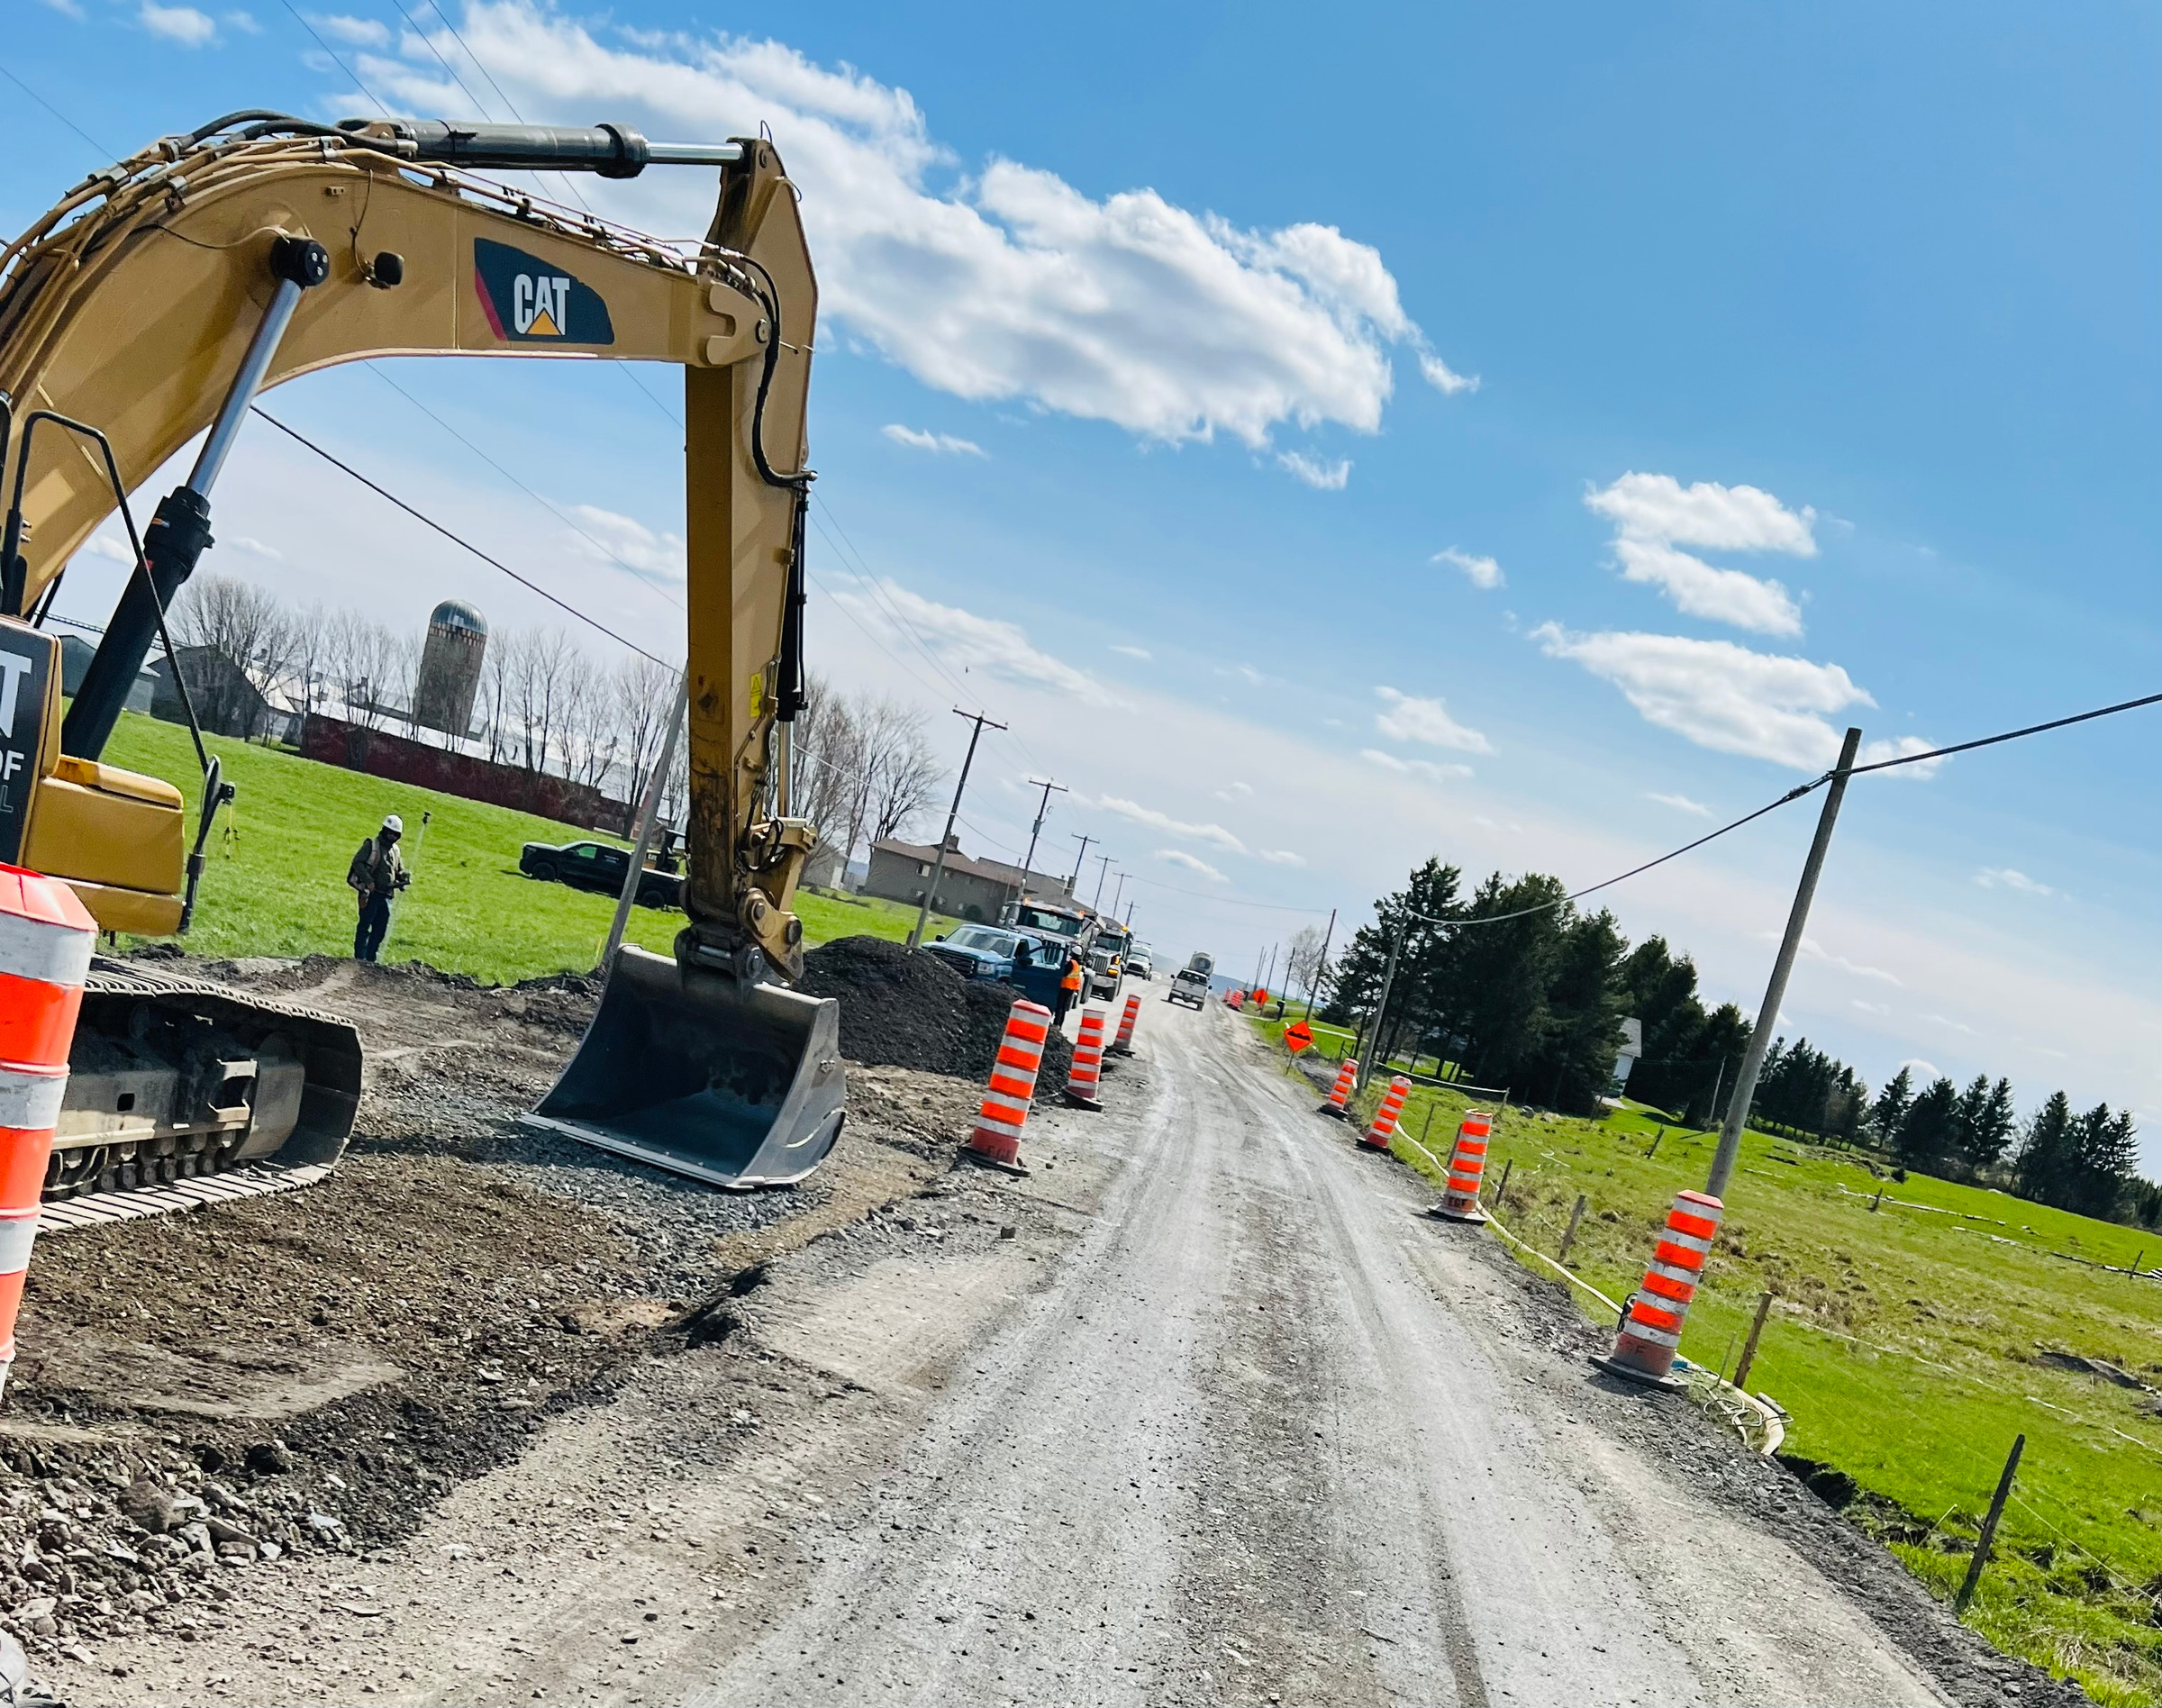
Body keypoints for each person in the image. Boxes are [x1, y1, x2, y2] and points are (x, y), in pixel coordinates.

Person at [347, 813, 411, 962]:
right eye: (390, 833)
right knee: (365, 927)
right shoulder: (372, 845)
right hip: (371, 894)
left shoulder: (395, 851)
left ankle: (371, 960)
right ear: (384, 831)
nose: (392, 836)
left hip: (386, 896)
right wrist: (369, 881)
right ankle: (360, 958)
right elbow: (357, 862)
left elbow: (398, 870)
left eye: (395, 834)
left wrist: (403, 877)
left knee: (380, 930)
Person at [1053, 951, 1082, 1026]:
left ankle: (1056, 1023)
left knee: (1060, 1006)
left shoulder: (1071, 963)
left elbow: (1065, 973)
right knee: (1064, 1007)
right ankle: (1060, 1024)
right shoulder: (1077, 965)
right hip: (1071, 988)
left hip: (1065, 986)